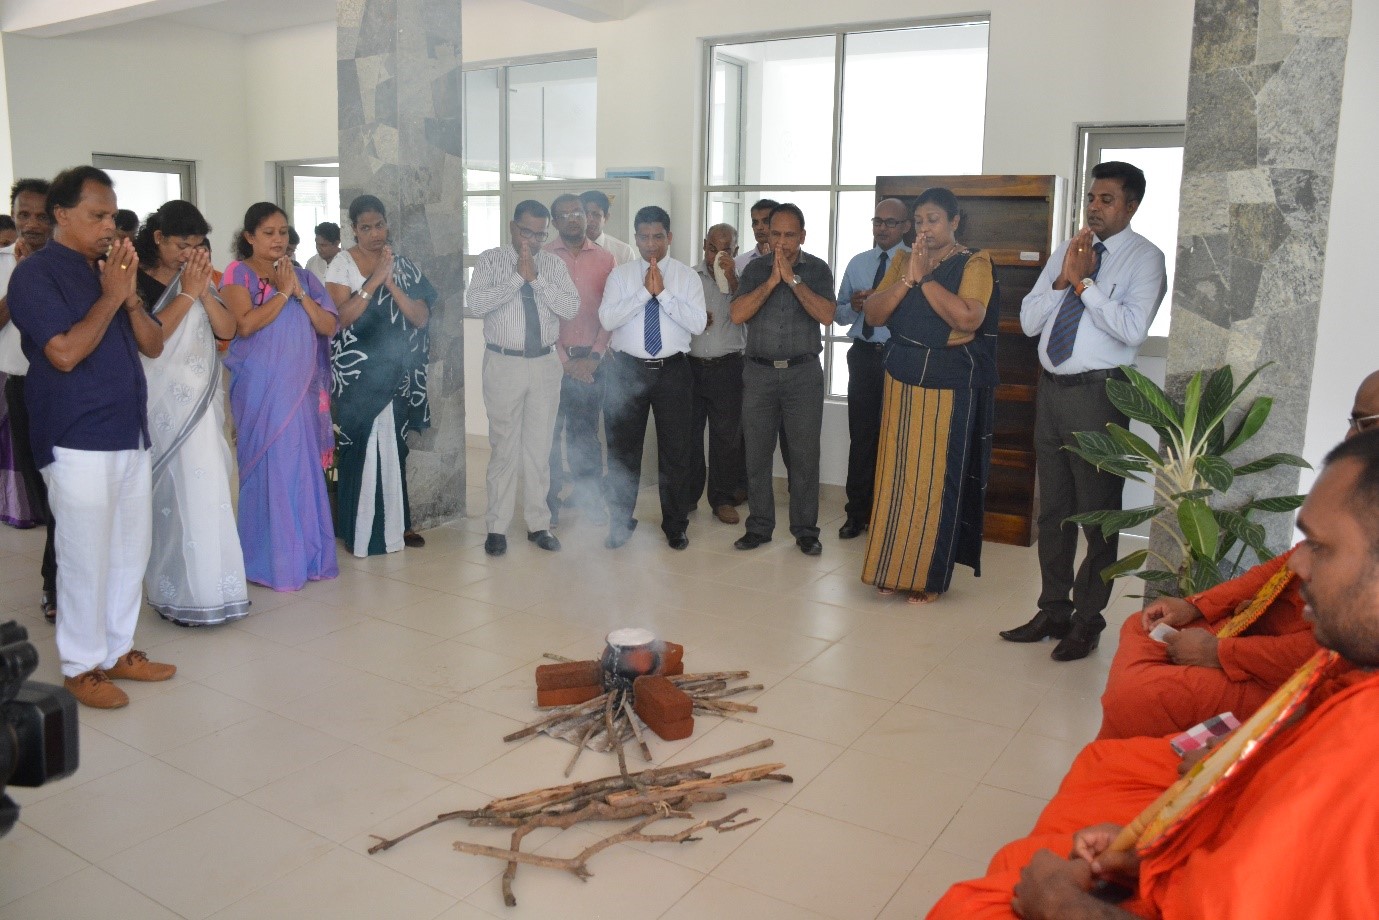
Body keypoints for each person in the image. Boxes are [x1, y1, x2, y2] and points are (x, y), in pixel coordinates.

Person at [927, 430, 1379, 920]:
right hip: (1205, 845)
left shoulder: (1361, 750)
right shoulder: (1357, 673)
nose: (1298, 563)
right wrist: (1147, 855)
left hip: (1201, 865)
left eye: (1321, 547)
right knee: (1095, 769)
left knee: (970, 904)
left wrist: (1068, 908)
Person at [1095, 370, 1379, 739]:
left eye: (1363, 423)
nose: (1349, 436)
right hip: (1254, 634)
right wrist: (1196, 607)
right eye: (1351, 422)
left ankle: (1137, 754)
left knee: (1143, 694)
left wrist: (1219, 653)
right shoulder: (1358, 491)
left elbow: (1327, 652)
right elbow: (1279, 569)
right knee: (1141, 628)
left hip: (1283, 674)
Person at [7, 165, 175, 709]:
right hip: (75, 436)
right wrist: (111, 295)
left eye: (112, 215)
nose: (109, 226)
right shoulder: (36, 276)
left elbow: (152, 345)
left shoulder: (110, 270)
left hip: (128, 430)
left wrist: (127, 296)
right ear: (61, 214)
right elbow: (63, 353)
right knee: (84, 556)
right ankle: (81, 667)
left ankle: (120, 649)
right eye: (97, 215)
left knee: (129, 550)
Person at [1002, 161, 1167, 660]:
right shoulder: (1069, 250)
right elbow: (1029, 322)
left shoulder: (1145, 259)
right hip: (1051, 392)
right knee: (1053, 512)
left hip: (1100, 396)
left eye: (1107, 200)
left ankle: (1087, 619)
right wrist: (1062, 279)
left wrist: (1083, 286)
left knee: (1098, 513)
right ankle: (1053, 609)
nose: (1094, 207)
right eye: (1092, 198)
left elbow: (1132, 330)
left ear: (1131, 206)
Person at [858, 188, 998, 604]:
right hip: (901, 375)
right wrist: (908, 278)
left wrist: (927, 279)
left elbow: (968, 317)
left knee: (937, 480)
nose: (924, 229)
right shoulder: (903, 260)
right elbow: (874, 314)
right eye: (919, 221)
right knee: (896, 475)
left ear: (954, 222)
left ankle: (928, 578)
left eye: (933, 220)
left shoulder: (974, 261)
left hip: (949, 382)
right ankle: (890, 569)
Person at [134, 200, 249, 626]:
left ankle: (214, 590)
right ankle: (175, 590)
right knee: (168, 499)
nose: (189, 254)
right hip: (160, 407)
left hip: (201, 408)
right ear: (158, 238)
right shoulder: (137, 282)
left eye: (197, 245)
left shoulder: (199, 278)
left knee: (209, 491)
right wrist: (186, 292)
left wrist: (201, 291)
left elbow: (227, 329)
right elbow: (152, 340)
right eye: (182, 245)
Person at [220, 202, 339, 591]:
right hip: (260, 392)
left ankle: (306, 558)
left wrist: (299, 292)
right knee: (271, 469)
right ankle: (269, 562)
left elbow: (328, 324)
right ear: (249, 237)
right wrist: (283, 292)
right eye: (268, 233)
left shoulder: (303, 276)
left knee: (300, 469)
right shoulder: (238, 273)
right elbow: (245, 325)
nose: (278, 239)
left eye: (283, 232)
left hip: (299, 392)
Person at [324, 194, 436, 557]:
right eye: (366, 227)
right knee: (359, 450)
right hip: (357, 376)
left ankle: (397, 524)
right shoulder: (342, 264)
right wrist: (373, 282)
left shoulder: (401, 265)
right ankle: (359, 530)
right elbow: (340, 319)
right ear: (354, 230)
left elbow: (420, 317)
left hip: (397, 372)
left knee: (395, 449)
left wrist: (391, 284)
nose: (375, 233)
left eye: (380, 225)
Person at [466, 200, 579, 557]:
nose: (532, 240)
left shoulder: (554, 265)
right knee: (503, 447)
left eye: (541, 234)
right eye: (526, 232)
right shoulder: (490, 260)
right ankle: (496, 527)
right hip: (504, 363)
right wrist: (518, 277)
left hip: (545, 363)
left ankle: (538, 524)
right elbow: (476, 304)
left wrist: (537, 280)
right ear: (513, 227)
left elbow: (570, 308)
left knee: (539, 448)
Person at [730, 203, 836, 556]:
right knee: (756, 456)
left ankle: (805, 531)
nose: (781, 242)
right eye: (775, 233)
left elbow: (826, 315)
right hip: (758, 374)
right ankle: (759, 527)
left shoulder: (817, 269)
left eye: (789, 235)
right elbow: (737, 314)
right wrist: (772, 281)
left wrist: (792, 280)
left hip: (803, 375)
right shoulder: (755, 269)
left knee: (804, 457)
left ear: (802, 236)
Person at [598, 205, 706, 550]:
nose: (650, 244)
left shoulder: (687, 277)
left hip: (673, 370)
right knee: (622, 451)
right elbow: (607, 319)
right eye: (644, 237)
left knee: (676, 451)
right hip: (627, 370)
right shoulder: (620, 276)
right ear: (635, 238)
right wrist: (645, 293)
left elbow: (697, 324)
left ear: (669, 237)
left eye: (657, 236)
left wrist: (664, 294)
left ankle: (675, 524)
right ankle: (620, 523)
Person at [834, 198, 911, 540]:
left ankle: (891, 513)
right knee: (862, 437)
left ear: (906, 227)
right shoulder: (858, 262)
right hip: (864, 356)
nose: (882, 227)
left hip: (900, 356)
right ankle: (857, 513)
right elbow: (838, 315)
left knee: (898, 437)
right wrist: (852, 306)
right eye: (877, 221)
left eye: (890, 222)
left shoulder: (915, 264)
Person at [0, 179, 57, 620]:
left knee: (63, 494)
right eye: (24, 214)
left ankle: (54, 583)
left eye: (41, 215)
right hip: (20, 388)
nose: (32, 224)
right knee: (42, 493)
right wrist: (20, 276)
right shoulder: (5, 262)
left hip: (62, 388)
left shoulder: (71, 263)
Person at [544, 193, 615, 528]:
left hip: (592, 363)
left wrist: (595, 356)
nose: (572, 218)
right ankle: (549, 505)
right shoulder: (543, 258)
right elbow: (542, 315)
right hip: (551, 364)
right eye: (564, 214)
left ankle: (589, 502)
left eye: (578, 212)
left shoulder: (606, 259)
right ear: (554, 222)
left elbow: (610, 314)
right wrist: (563, 360)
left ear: (588, 217)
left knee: (584, 437)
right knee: (548, 436)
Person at [684, 223, 746, 526]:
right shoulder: (687, 278)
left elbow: (748, 314)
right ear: (704, 245)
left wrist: (732, 277)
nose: (716, 256)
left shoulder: (743, 280)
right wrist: (693, 320)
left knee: (726, 437)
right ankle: (688, 497)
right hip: (691, 366)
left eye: (725, 250)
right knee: (689, 435)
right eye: (712, 249)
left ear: (735, 251)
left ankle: (722, 499)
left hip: (729, 367)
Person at [580, 190, 637, 266]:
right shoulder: (569, 249)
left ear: (606, 218)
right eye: (585, 214)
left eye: (596, 215)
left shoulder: (624, 252)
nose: (590, 220)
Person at [732, 198, 779, 275]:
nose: (759, 227)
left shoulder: (791, 260)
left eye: (766, 221)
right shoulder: (738, 263)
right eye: (755, 222)